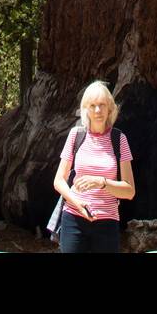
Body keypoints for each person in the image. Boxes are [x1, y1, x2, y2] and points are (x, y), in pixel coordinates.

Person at [53, 80, 134, 254]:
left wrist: (102, 182)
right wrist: (77, 202)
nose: (98, 111)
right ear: (86, 109)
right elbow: (59, 180)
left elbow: (129, 191)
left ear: (110, 108)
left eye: (102, 105)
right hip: (73, 219)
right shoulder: (76, 135)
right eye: (93, 105)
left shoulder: (119, 139)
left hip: (107, 222)